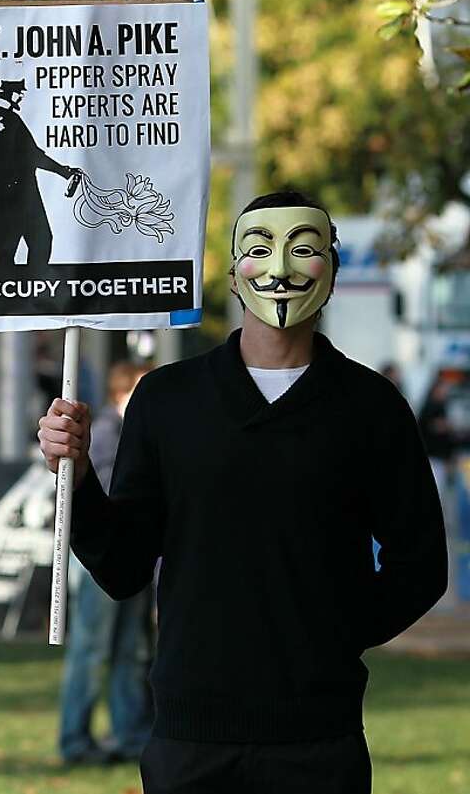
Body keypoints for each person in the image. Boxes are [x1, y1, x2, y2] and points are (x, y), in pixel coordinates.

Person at [37, 191, 447, 794]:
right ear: (233, 273)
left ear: (331, 268)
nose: (280, 269)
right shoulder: (166, 401)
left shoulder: (372, 408)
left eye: (303, 251)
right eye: (261, 250)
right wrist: (76, 475)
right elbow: (123, 566)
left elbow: (421, 564)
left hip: (319, 739)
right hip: (190, 741)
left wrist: (335, 633)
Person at [58, 360, 153, 766]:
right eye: (142, 390)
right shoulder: (106, 434)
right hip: (98, 561)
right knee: (91, 649)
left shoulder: (140, 435)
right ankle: (75, 739)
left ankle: (129, 734)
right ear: (121, 393)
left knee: (129, 649)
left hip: (138, 555)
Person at [0, 61, 80, 270]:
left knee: (42, 241)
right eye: (17, 88)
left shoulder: (13, 119)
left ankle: (34, 292)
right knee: (5, 255)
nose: (22, 93)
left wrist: (63, 172)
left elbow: (33, 155)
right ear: (0, 87)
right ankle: (10, 299)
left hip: (26, 197)